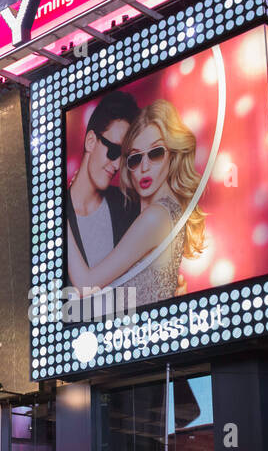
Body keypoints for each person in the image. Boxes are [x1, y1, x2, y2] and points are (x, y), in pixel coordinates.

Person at [66, 100, 207, 307]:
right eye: (134, 159)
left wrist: (57, 214)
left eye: (156, 153)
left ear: (173, 154)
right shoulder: (154, 211)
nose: (144, 167)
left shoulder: (155, 217)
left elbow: (85, 284)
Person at [66, 91, 142, 272]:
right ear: (91, 141)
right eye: (114, 151)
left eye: (124, 157)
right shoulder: (54, 214)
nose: (117, 165)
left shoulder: (128, 207)